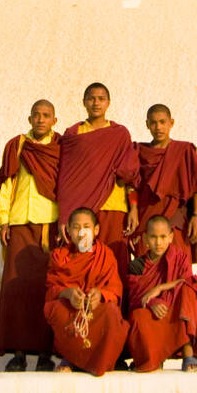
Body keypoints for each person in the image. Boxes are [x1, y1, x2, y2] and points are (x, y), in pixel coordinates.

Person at [0, 99, 61, 372]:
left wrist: (66, 220)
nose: (41, 120)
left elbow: (66, 183)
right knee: (17, 288)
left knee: (48, 287)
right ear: (29, 118)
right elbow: (6, 183)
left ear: (54, 120)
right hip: (20, 222)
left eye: (46, 116)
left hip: (49, 223)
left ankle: (46, 352)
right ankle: (18, 352)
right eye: (37, 115)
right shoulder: (17, 145)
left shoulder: (60, 147)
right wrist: (3, 220)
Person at [55, 83, 140, 287]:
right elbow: (66, 178)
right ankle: (85, 314)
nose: (96, 103)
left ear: (108, 103)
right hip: (83, 212)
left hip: (114, 208)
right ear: (84, 102)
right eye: (91, 98)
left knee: (115, 262)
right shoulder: (74, 133)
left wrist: (134, 208)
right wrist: (65, 215)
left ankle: (114, 313)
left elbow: (130, 174)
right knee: (84, 261)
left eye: (101, 99)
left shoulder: (119, 134)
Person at [43, 207, 130, 376]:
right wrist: (67, 293)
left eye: (86, 227)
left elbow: (115, 289)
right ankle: (71, 356)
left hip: (96, 309)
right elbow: (51, 291)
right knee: (57, 309)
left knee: (111, 312)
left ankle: (101, 360)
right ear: (68, 230)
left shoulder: (105, 254)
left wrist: (100, 295)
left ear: (96, 230)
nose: (81, 232)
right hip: (72, 309)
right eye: (76, 227)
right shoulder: (59, 256)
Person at [133, 104, 197, 265]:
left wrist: (196, 217)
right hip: (147, 221)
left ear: (171, 123)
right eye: (153, 123)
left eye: (162, 122)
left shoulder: (183, 151)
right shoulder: (140, 152)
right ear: (147, 125)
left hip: (176, 221)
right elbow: (132, 185)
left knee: (177, 268)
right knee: (147, 273)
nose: (158, 127)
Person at [126, 216, 197, 372]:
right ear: (145, 238)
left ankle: (188, 354)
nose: (158, 242)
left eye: (163, 237)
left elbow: (188, 282)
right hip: (152, 312)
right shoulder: (137, 265)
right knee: (137, 317)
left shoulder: (180, 257)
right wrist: (151, 303)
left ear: (170, 237)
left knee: (188, 293)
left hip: (175, 310)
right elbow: (134, 298)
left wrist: (159, 289)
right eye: (153, 237)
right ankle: (154, 357)